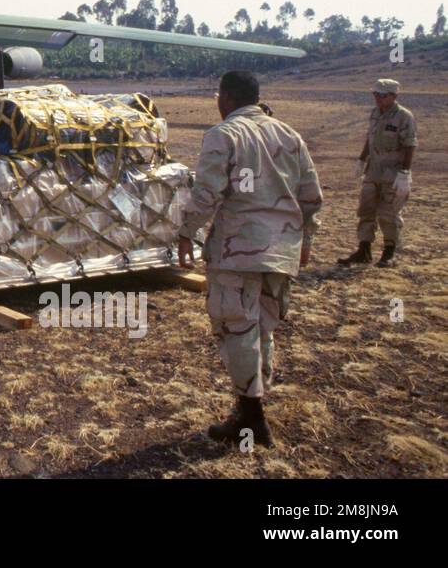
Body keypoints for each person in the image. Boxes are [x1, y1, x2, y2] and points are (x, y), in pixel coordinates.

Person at [177, 70, 322, 449]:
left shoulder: (223, 135)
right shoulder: (289, 134)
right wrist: (305, 240)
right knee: (263, 329)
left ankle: (252, 416)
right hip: (280, 253)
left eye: (218, 96)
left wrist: (185, 233)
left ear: (225, 97)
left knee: (237, 329)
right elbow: (310, 195)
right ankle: (252, 406)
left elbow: (206, 194)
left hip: (238, 253)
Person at [340, 78, 417, 268]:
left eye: (382, 95)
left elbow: (410, 145)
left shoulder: (403, 116)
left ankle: (389, 252)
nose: (378, 98)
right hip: (373, 170)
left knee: (388, 213)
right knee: (366, 210)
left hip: (393, 171)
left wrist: (405, 173)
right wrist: (361, 159)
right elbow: (370, 139)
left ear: (393, 96)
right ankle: (364, 250)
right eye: (375, 94)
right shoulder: (375, 113)